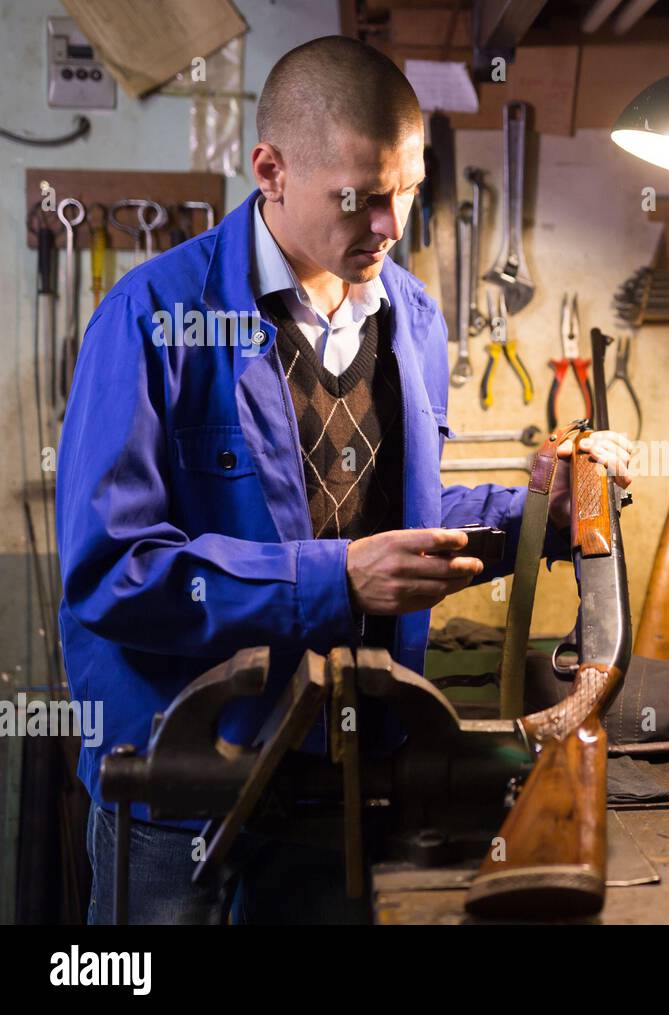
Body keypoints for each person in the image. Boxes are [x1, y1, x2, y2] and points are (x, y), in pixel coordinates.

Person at [56, 35, 631, 924]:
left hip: (354, 777)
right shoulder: (150, 319)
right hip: (189, 793)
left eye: (407, 191)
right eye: (360, 198)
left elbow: (400, 516)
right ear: (271, 170)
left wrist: (543, 516)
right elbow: (112, 573)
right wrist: (334, 577)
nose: (390, 226)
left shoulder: (415, 318)